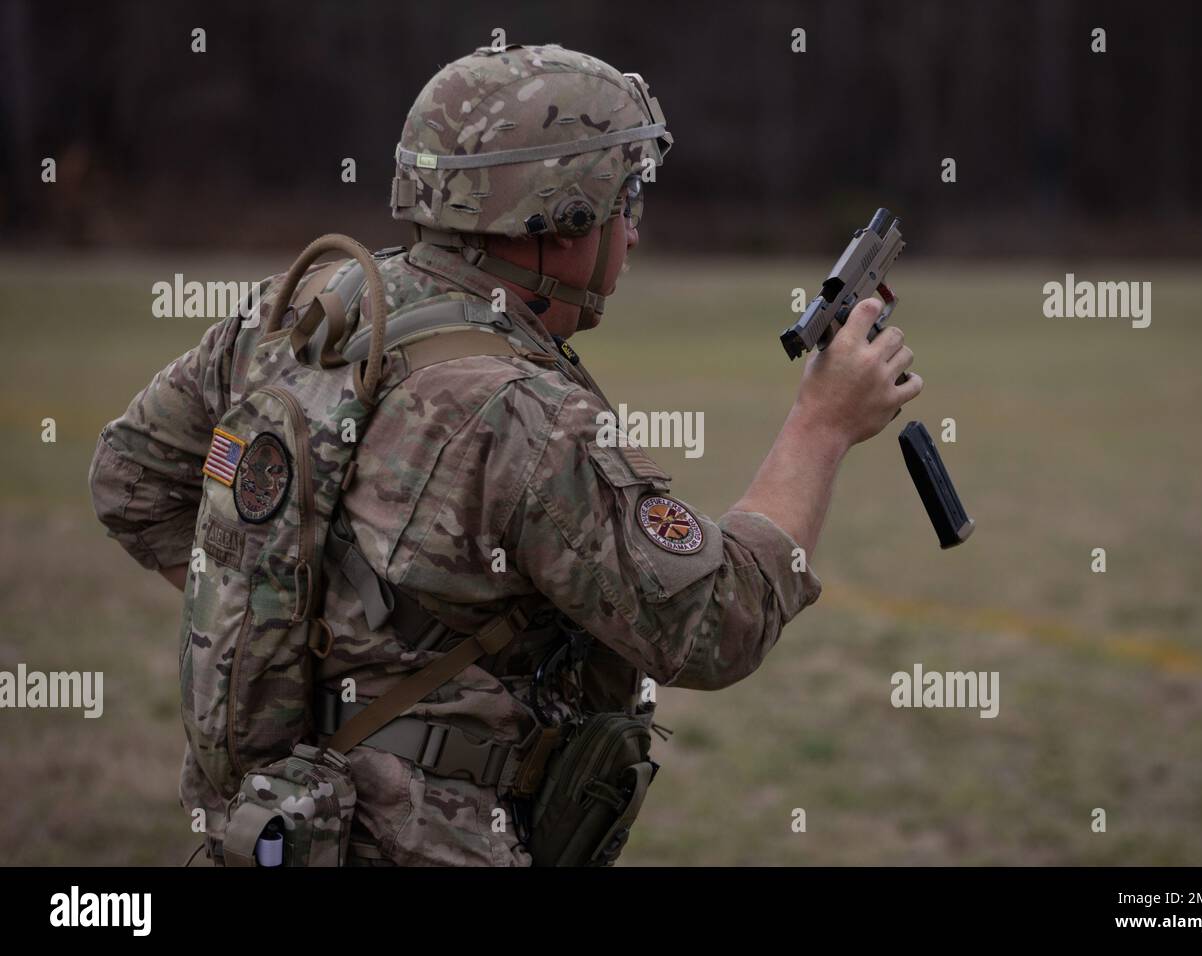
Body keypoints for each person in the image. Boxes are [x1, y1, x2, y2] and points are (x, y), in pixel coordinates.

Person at [89, 42, 922, 866]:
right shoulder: (521, 414)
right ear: (558, 222)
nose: (633, 232)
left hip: (279, 827)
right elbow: (716, 626)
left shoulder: (303, 311)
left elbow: (129, 480)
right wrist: (822, 423)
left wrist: (285, 639)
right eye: (624, 199)